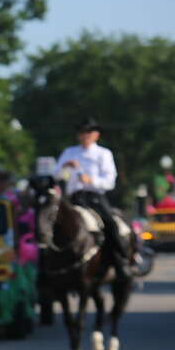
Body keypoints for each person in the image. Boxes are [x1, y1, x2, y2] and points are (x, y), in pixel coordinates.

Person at [55, 117, 132, 273]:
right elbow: (55, 176)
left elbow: (109, 181)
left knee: (110, 223)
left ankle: (121, 260)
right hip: (73, 198)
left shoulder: (103, 154)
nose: (85, 136)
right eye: (82, 132)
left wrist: (91, 180)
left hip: (94, 198)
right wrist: (65, 166)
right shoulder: (69, 153)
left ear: (96, 135)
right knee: (50, 222)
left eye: (89, 132)